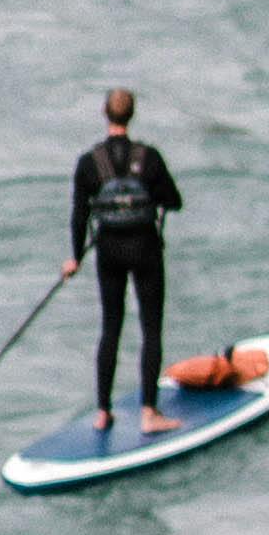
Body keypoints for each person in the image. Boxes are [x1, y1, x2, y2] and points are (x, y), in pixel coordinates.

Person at [64, 86, 183, 435]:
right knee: (151, 329)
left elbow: (78, 216)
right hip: (145, 249)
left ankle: (103, 411)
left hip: (109, 252)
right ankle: (149, 412)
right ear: (132, 115)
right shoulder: (150, 158)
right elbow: (174, 201)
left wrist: (74, 258)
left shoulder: (89, 163)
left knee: (111, 328)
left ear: (106, 113)